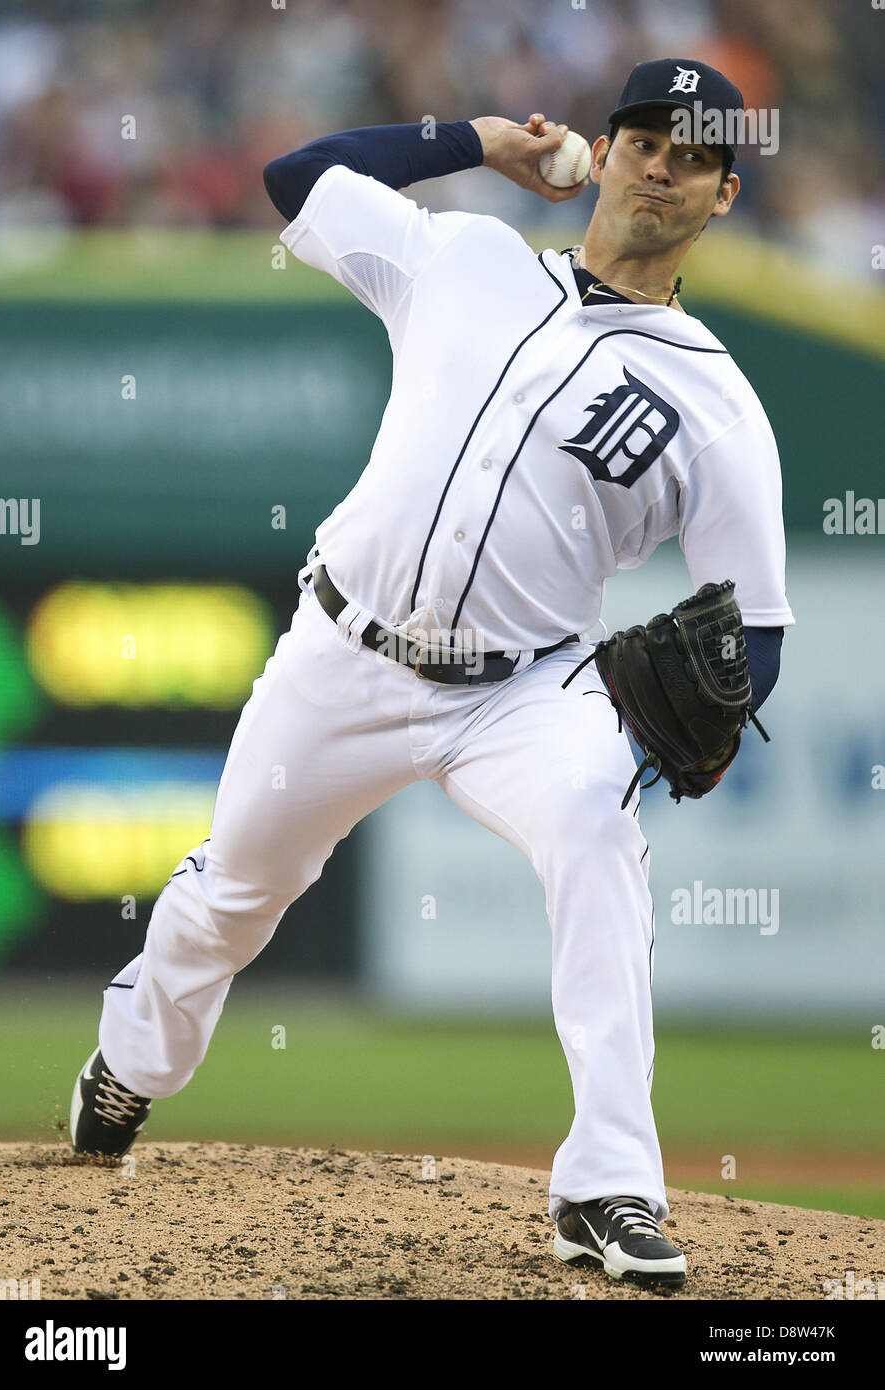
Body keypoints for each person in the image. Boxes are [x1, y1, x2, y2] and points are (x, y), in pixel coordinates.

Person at [71, 59, 793, 1290]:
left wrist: (681, 738)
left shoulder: (716, 403)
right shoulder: (466, 256)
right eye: (642, 139)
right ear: (605, 150)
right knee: (237, 890)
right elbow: (295, 179)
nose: (659, 165)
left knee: (592, 824)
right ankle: (130, 1065)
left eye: (691, 154)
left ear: (725, 191)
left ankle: (609, 1183)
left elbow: (757, 631)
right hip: (340, 656)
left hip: (521, 691)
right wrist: (472, 141)